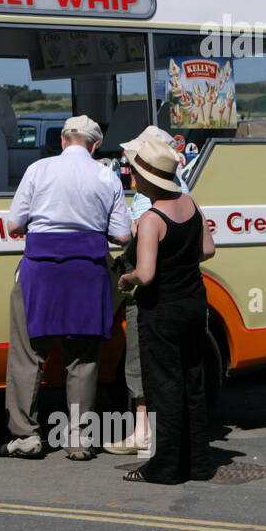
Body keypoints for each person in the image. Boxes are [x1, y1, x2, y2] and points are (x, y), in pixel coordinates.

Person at [2, 115, 131, 460]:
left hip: (40, 272)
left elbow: (14, 224)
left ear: (62, 140)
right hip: (86, 272)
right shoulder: (106, 175)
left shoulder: (38, 169)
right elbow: (122, 236)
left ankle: (26, 435)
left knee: (29, 354)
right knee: (83, 358)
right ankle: (79, 439)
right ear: (95, 146)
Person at [117, 138, 217, 484]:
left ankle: (166, 466)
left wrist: (127, 279)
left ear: (146, 179)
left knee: (164, 387)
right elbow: (208, 249)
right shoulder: (190, 203)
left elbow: (146, 274)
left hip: (162, 310)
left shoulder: (151, 218)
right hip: (194, 303)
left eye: (134, 173)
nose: (132, 177)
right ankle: (199, 462)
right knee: (193, 381)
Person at [105, 126, 183, 455]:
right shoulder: (182, 195)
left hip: (145, 291)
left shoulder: (149, 199)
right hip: (175, 291)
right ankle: (163, 430)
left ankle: (143, 432)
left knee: (139, 360)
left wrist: (127, 277)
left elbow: (140, 246)